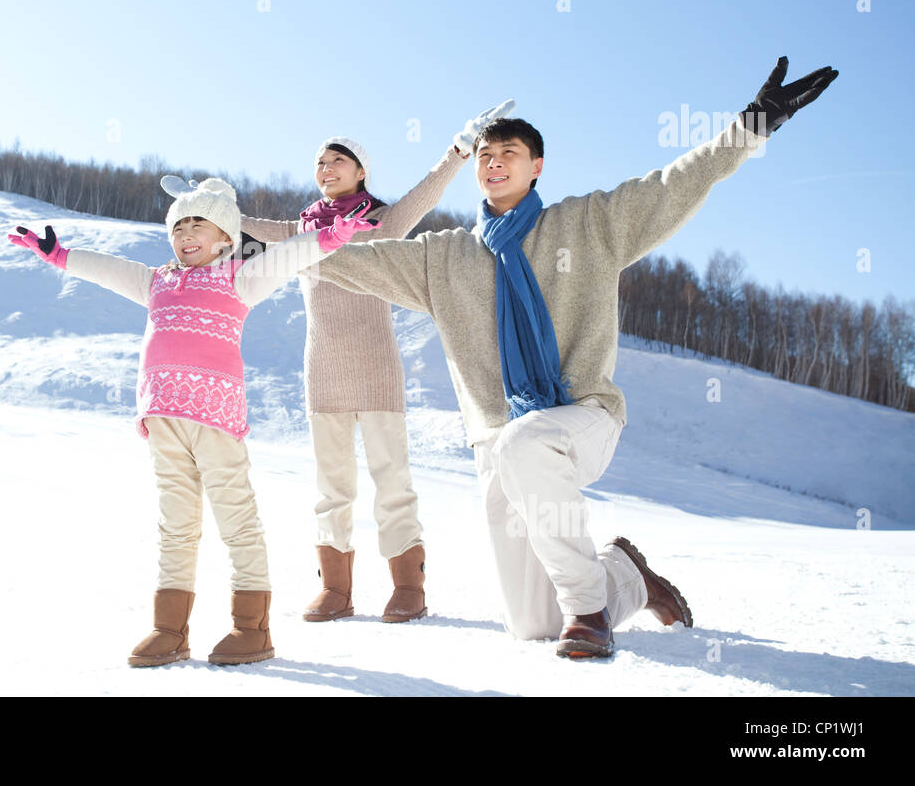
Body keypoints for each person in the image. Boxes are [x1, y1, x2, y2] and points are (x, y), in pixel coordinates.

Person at [304, 58, 838, 657]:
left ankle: (588, 613)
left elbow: (674, 184)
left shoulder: (588, 224)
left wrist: (751, 127)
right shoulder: (443, 257)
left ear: (536, 167)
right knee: (532, 622)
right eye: (484, 154)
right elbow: (349, 260)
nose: (493, 162)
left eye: (508, 151)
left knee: (528, 443)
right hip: (495, 440)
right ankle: (627, 577)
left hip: (581, 418)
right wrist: (246, 248)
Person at [8, 176, 375, 666]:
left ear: (225, 237)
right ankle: (170, 629)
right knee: (175, 526)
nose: (186, 232)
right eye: (179, 224)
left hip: (215, 418)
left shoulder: (238, 277)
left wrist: (331, 235)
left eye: (198, 222)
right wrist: (59, 255)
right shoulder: (156, 281)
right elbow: (110, 269)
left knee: (236, 522)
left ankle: (252, 628)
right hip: (163, 418)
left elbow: (288, 257)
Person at [238, 101, 515, 623]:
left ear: (361, 171)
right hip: (323, 371)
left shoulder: (381, 223)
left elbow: (424, 196)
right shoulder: (302, 231)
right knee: (331, 485)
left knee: (391, 479)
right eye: (320, 162)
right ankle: (336, 589)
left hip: (377, 369)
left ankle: (408, 585)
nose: (326, 169)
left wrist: (457, 152)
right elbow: (249, 228)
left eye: (337, 160)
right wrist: (209, 208)